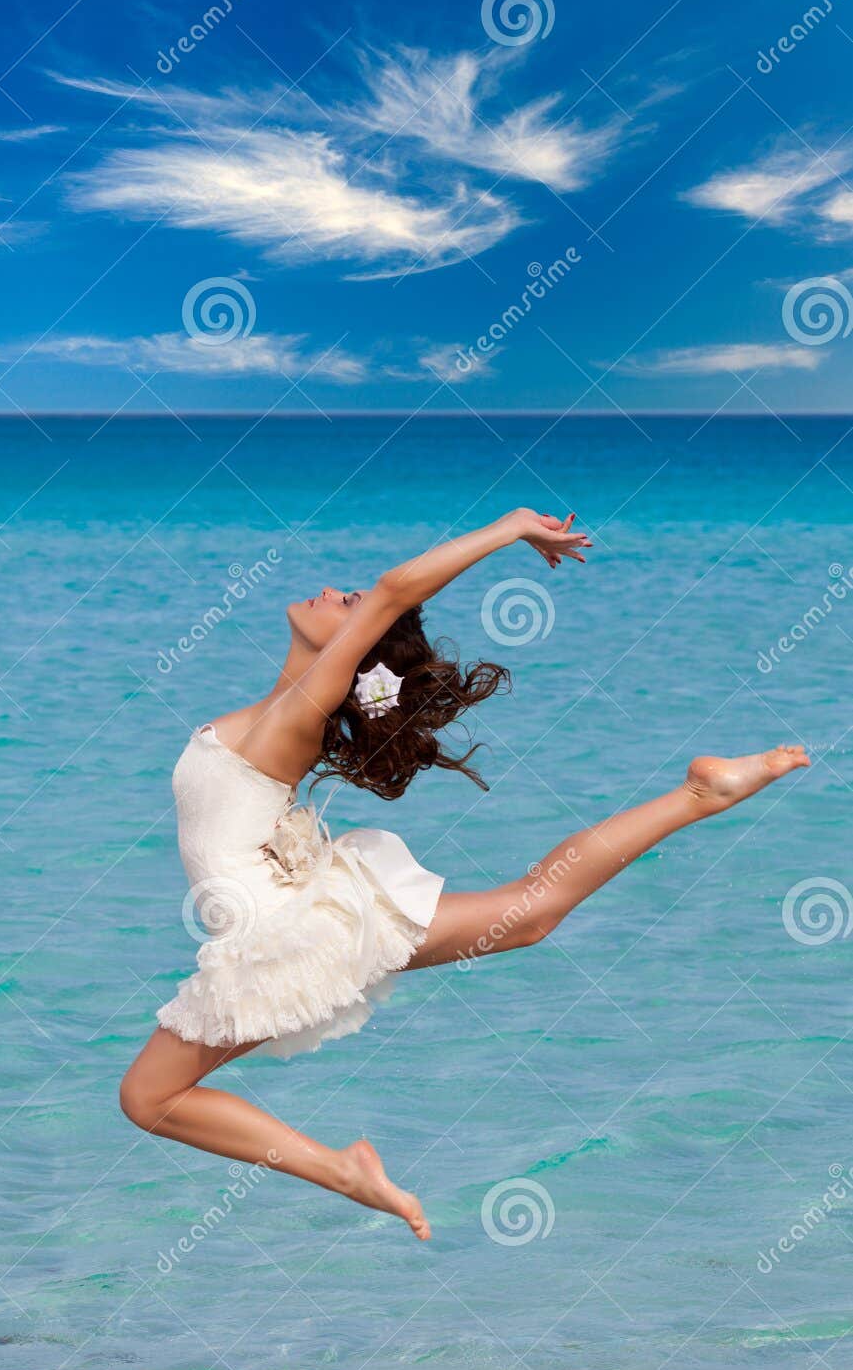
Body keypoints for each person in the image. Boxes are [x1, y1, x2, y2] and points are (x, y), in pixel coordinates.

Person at [120, 509, 808, 1238]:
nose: (331, 590)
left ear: (357, 648)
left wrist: (513, 526)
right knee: (529, 913)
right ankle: (701, 794)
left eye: (348, 604)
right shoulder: (283, 706)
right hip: (300, 909)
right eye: (344, 595)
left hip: (283, 931)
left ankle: (702, 794)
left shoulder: (301, 709)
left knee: (150, 1098)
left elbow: (394, 589)